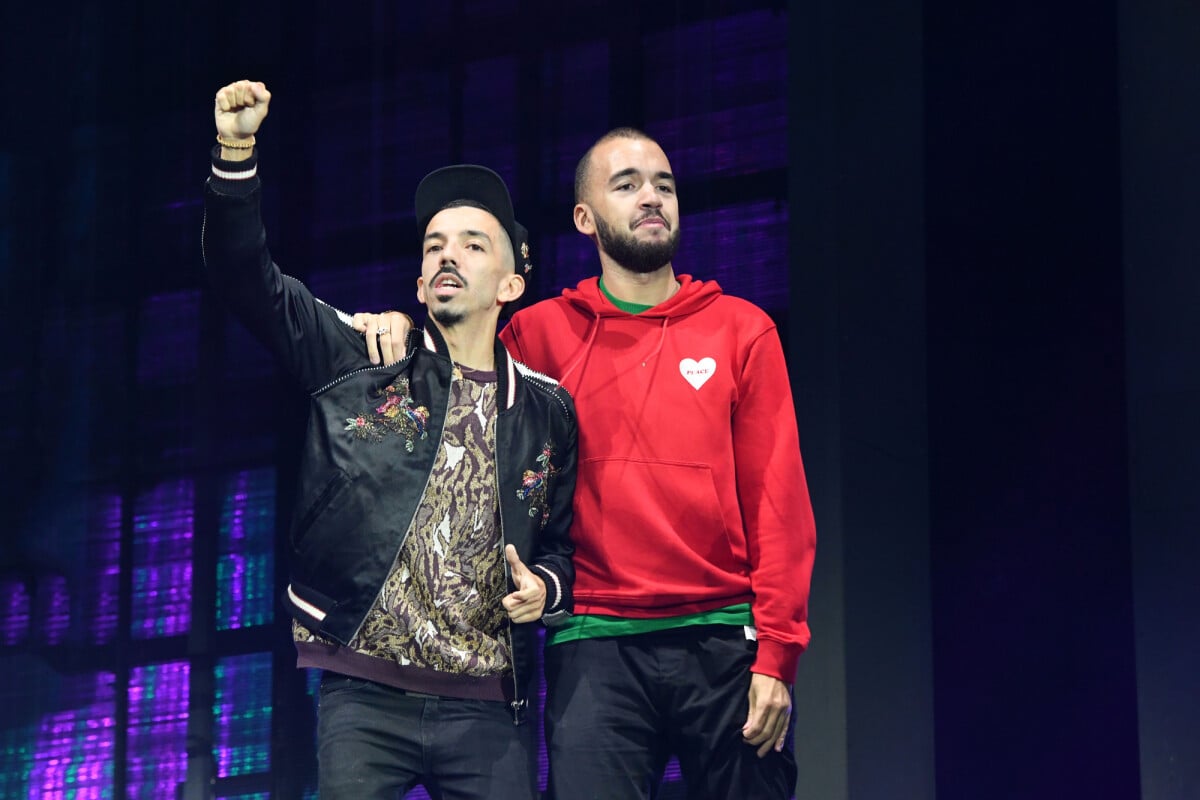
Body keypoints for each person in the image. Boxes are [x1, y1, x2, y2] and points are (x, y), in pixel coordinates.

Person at [354, 128, 816, 799]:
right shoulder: (538, 335)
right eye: (626, 186)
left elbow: (780, 505)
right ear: (585, 217)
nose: (651, 198)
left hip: (723, 641)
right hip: (592, 643)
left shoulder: (741, 330)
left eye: (664, 185)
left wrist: (778, 654)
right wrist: (399, 328)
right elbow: (450, 384)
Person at [202, 79, 578, 800]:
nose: (448, 255)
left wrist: (544, 589)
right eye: (435, 244)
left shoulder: (546, 411)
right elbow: (246, 280)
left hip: (487, 706)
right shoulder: (361, 360)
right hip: (362, 693)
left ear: (511, 284)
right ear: (417, 278)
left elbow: (558, 539)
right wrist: (236, 153)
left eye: (473, 245)